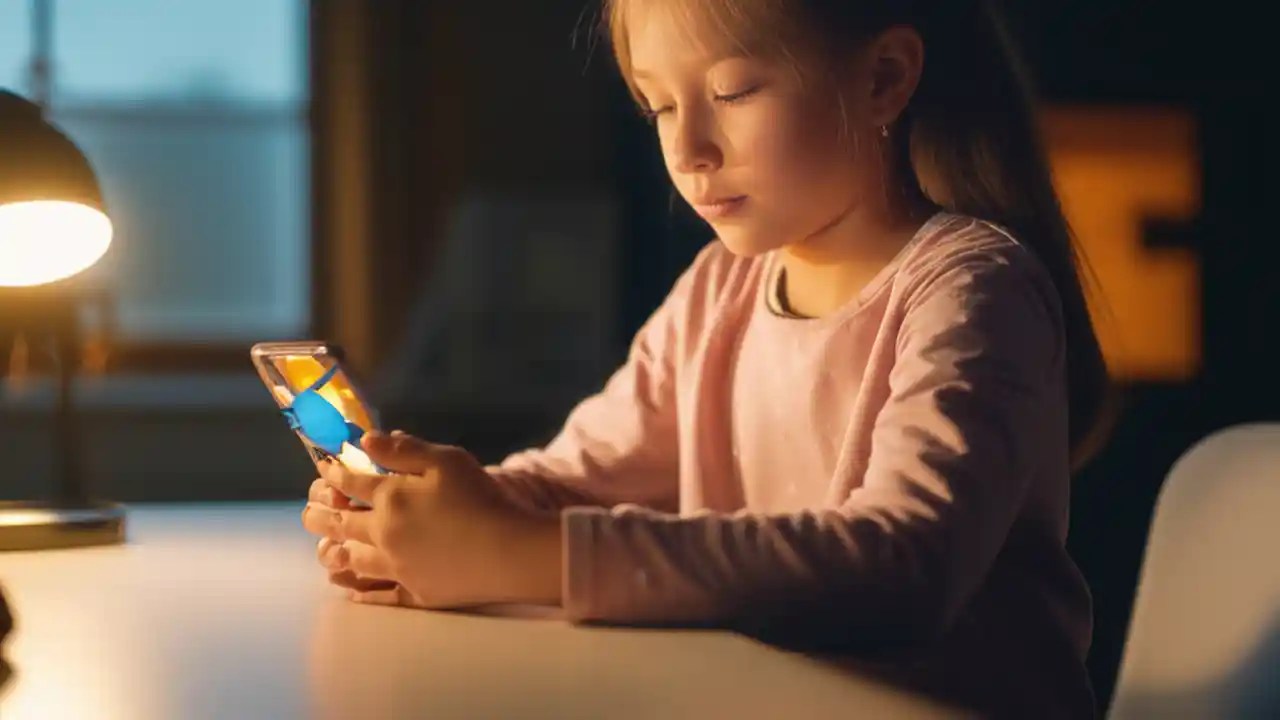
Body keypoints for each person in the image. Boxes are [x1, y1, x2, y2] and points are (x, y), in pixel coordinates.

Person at [303, 0, 1112, 715]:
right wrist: (428, 518)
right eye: (659, 105)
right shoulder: (719, 290)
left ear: (883, 79)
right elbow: (581, 475)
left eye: (733, 92)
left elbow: (903, 569)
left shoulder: (972, 288)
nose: (687, 148)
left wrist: (513, 553)